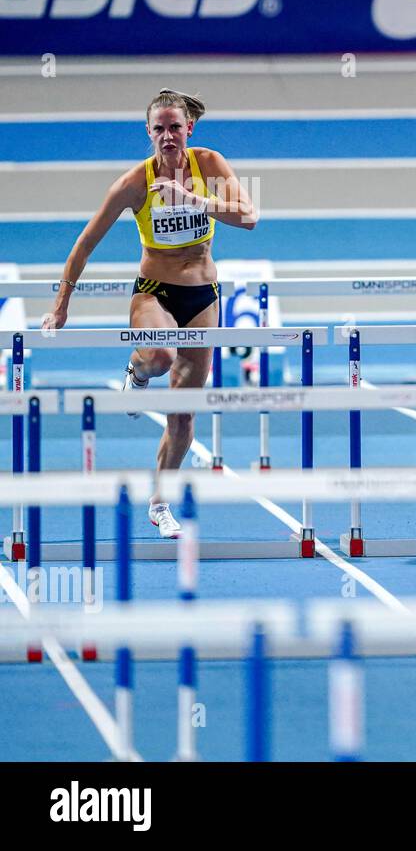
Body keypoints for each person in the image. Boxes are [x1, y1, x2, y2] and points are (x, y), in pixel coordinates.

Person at [43, 89, 258, 536]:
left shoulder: (209, 165)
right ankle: (137, 372)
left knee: (184, 413)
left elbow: (249, 215)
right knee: (159, 357)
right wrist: (61, 305)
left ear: (188, 129)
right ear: (149, 132)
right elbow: (84, 245)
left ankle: (160, 501)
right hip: (154, 293)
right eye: (158, 129)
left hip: (203, 296)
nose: (167, 136)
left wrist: (194, 200)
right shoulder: (133, 184)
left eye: (174, 127)